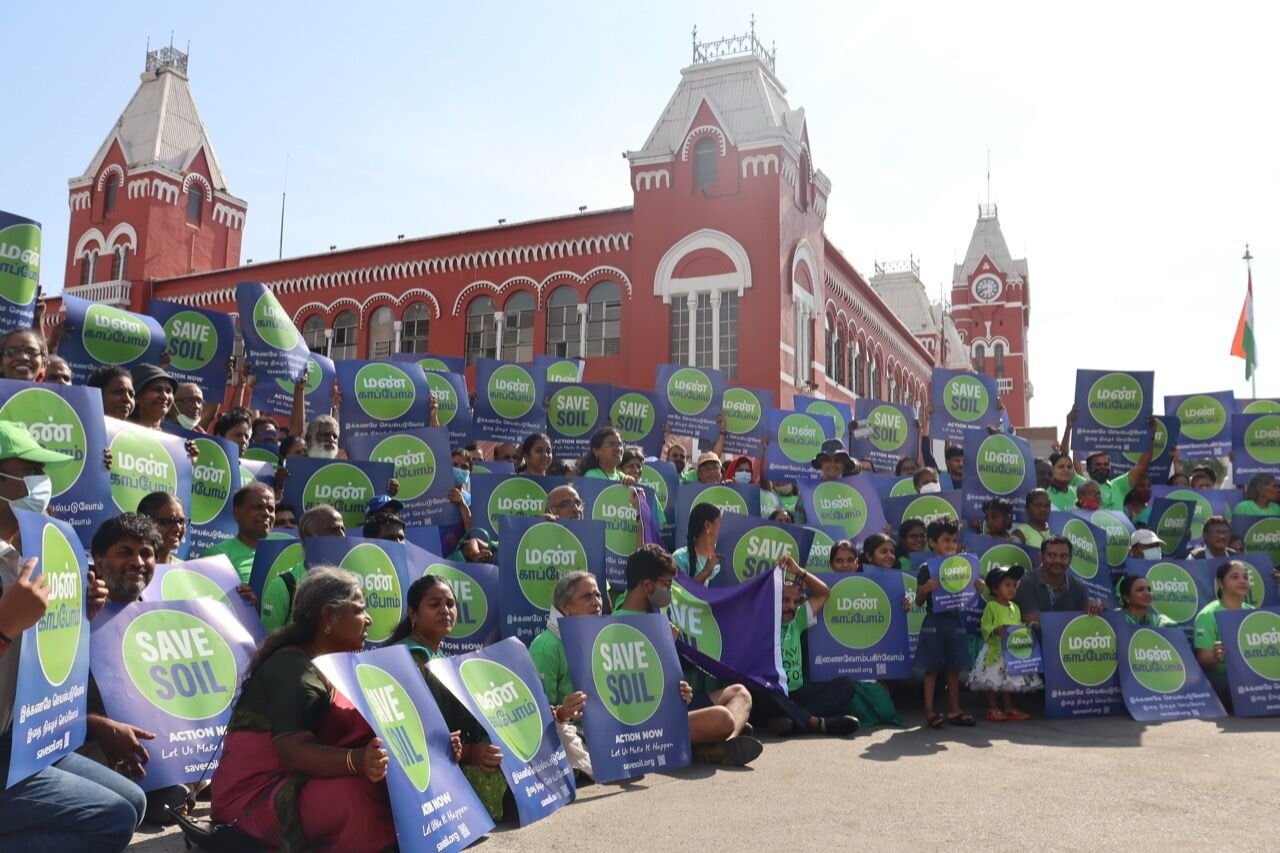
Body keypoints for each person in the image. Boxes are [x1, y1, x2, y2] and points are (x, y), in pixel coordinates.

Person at [0, 423, 145, 849]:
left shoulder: (19, 557)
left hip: (16, 737)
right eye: (30, 470)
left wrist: (79, 614)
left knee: (133, 801)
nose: (41, 484)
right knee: (112, 818)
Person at [210, 567, 394, 851]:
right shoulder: (294, 669)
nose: (368, 620)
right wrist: (358, 761)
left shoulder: (333, 665)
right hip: (255, 801)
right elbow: (292, 753)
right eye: (359, 611)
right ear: (329, 618)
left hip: (301, 780)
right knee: (355, 794)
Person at [615, 545, 762, 766]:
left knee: (740, 693)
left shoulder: (659, 617)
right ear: (647, 585)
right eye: (666, 585)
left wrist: (682, 689)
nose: (670, 591)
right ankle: (713, 739)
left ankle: (721, 745)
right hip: (651, 722)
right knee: (723, 718)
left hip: (677, 707)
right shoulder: (616, 626)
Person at [389, 575, 512, 819]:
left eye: (450, 604)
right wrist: (469, 753)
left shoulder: (443, 658)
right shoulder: (408, 659)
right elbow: (411, 734)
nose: (445, 610)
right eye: (434, 604)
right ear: (413, 615)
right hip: (424, 770)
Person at [753, 556, 859, 736]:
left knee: (846, 686)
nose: (791, 606)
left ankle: (792, 722)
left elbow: (824, 592)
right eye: (785, 600)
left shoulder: (798, 620)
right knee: (763, 691)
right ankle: (814, 723)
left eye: (795, 601)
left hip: (797, 694)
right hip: (773, 695)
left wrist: (799, 571)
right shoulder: (759, 624)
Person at [913, 519, 978, 728]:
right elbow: (919, 601)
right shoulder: (926, 568)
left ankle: (954, 709)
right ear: (932, 543)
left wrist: (978, 581)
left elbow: (979, 588)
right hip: (934, 620)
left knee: (954, 667)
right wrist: (926, 588)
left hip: (956, 619)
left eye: (954, 540)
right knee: (931, 668)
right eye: (946, 540)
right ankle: (930, 710)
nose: (951, 545)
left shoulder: (963, 566)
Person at [967, 565, 1040, 721]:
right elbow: (985, 625)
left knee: (1007, 682)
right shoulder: (991, 606)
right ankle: (992, 708)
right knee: (992, 680)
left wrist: (1028, 627)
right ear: (995, 588)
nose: (1012, 589)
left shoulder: (1016, 608)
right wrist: (994, 630)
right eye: (1007, 585)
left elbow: (1018, 626)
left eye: (1014, 585)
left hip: (1010, 653)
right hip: (995, 651)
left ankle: (1008, 708)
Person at [259, 505, 346, 632]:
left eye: (343, 529)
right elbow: (268, 642)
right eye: (333, 530)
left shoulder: (354, 579)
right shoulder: (283, 586)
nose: (342, 536)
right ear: (308, 535)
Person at [1193, 560, 1256, 702]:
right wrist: (1215, 656)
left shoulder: (1252, 613)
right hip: (1223, 677)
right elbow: (1205, 663)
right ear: (1221, 583)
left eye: (1245, 577)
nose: (1242, 581)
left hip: (1252, 676)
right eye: (1235, 577)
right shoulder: (1207, 615)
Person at [1014, 536, 1103, 632]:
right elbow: (1033, 622)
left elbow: (1085, 625)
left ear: (1070, 559)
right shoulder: (1027, 583)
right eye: (1052, 555)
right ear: (1041, 557)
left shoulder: (1079, 587)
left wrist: (1093, 611)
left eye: (1063, 556)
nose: (1058, 561)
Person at [201, 483, 276, 583]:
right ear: (237, 513)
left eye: (271, 509)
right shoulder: (217, 556)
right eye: (258, 507)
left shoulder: (280, 556)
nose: (266, 513)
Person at [673, 502, 722, 585]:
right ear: (708, 525)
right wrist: (706, 571)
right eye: (721, 522)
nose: (724, 526)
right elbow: (680, 593)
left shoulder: (726, 555)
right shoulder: (679, 558)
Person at [136, 491, 187, 563]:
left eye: (181, 521)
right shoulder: (132, 568)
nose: (177, 528)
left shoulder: (184, 570)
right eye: (168, 521)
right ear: (145, 523)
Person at [128, 364, 177, 430]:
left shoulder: (174, 439)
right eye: (157, 390)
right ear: (136, 397)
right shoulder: (117, 434)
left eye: (168, 391)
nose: (164, 396)